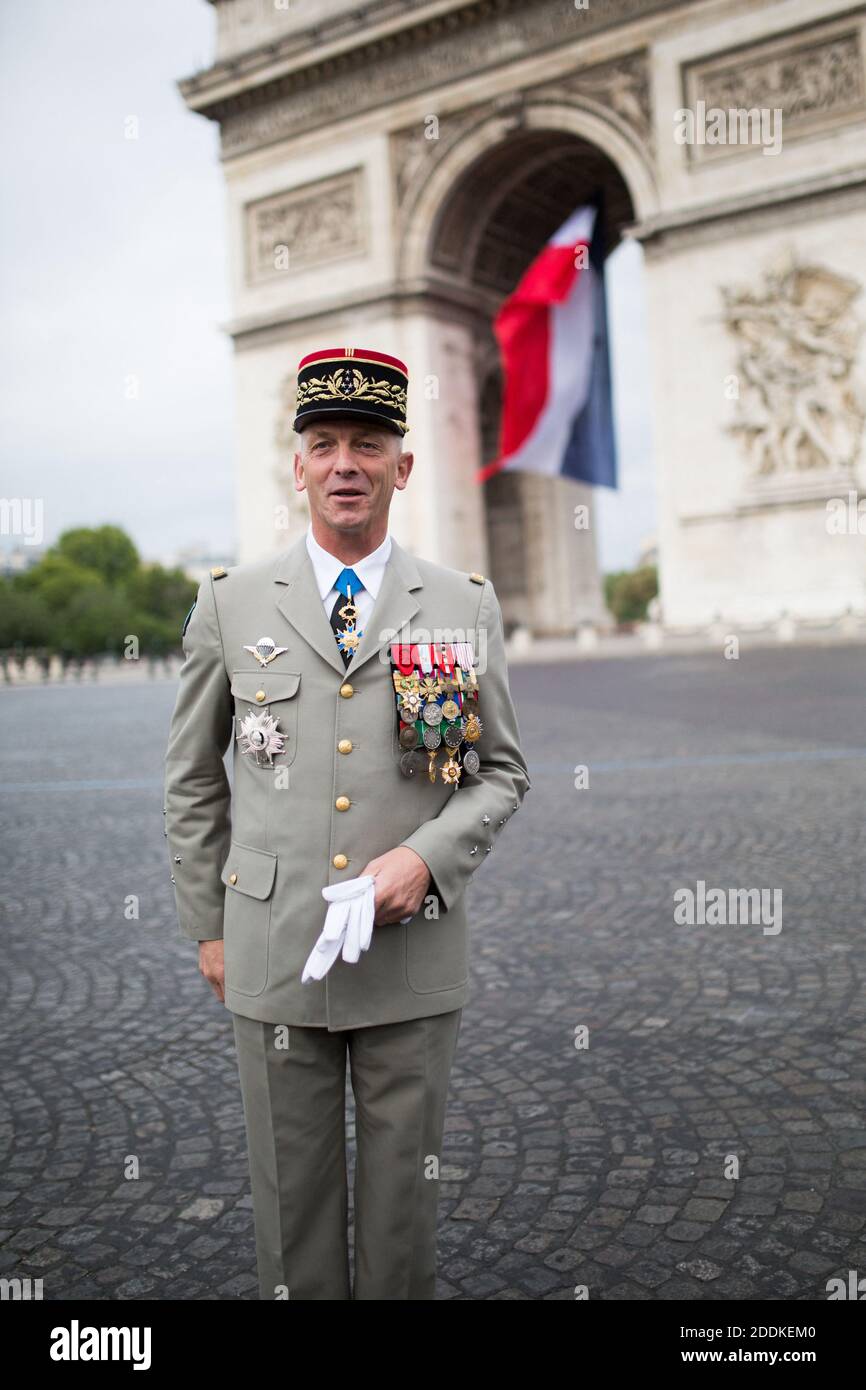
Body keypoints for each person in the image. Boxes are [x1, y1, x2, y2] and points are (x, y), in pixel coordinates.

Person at [164, 346, 530, 1299]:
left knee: (405, 1204)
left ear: (402, 466)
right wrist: (209, 926)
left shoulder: (459, 606)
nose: (345, 465)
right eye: (323, 443)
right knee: (291, 1203)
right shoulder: (230, 604)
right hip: (274, 948)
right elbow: (193, 779)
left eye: (368, 444)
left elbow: (494, 773)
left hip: (412, 954)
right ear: (298, 465)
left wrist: (426, 857)